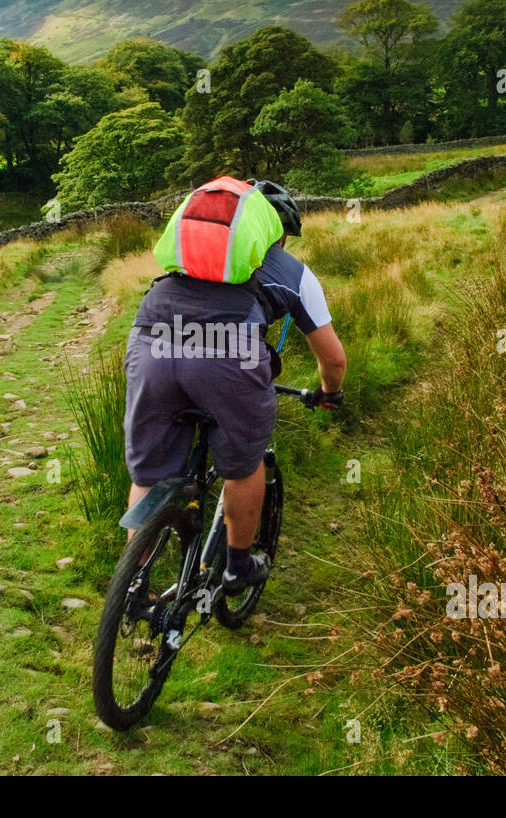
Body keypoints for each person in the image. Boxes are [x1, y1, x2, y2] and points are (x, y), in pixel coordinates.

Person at [122, 177, 347, 593]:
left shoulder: (190, 255)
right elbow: (333, 359)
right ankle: (237, 568)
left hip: (151, 339)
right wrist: (329, 392)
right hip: (230, 358)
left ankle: (133, 583)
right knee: (245, 464)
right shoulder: (292, 272)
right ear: (278, 232)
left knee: (150, 474)